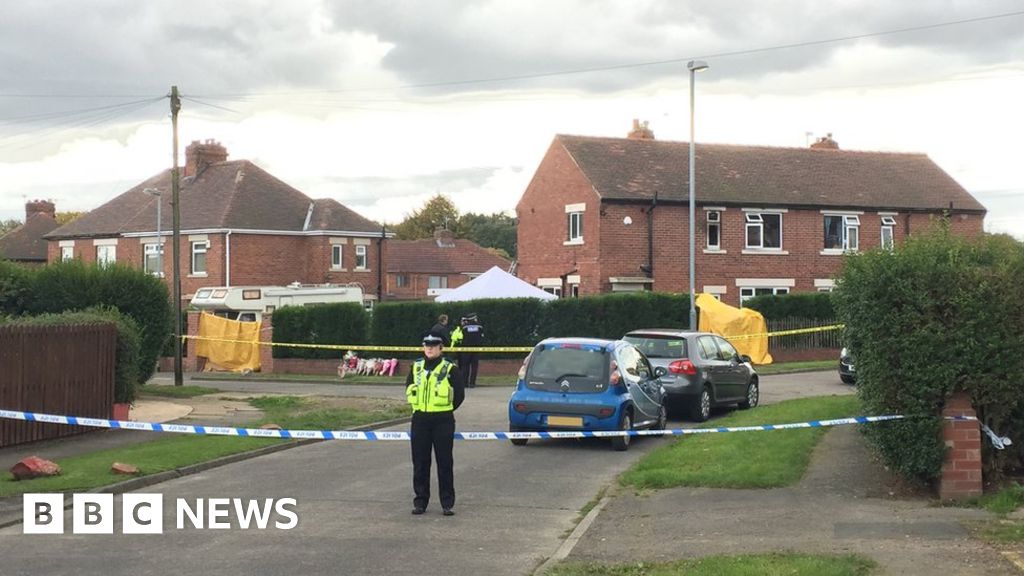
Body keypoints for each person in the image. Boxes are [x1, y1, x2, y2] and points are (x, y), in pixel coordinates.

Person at [406, 331, 465, 516]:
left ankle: (447, 503)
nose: (429, 348)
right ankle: (420, 502)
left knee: (444, 462)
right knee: (420, 463)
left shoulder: (450, 368)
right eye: (426, 345)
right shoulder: (415, 367)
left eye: (433, 345)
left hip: (442, 420)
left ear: (441, 347)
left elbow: (459, 395)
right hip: (420, 419)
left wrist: (444, 410)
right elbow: (408, 388)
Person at [459, 313, 484, 388]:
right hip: (476, 349)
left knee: (465, 366)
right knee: (474, 366)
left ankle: (464, 383)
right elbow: (482, 337)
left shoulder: (464, 327)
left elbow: (461, 337)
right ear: (474, 318)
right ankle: (472, 383)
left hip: (466, 349)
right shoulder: (480, 326)